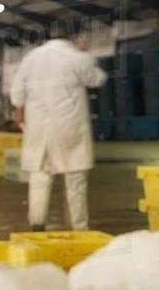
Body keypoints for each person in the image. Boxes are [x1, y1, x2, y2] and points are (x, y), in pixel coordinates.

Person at [9, 23, 107, 231]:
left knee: (40, 173)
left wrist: (19, 110)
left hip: (38, 125)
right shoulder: (77, 57)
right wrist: (87, 55)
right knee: (75, 176)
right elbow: (96, 80)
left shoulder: (32, 57)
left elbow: (17, 88)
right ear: (71, 38)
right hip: (69, 124)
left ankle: (37, 223)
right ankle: (79, 226)